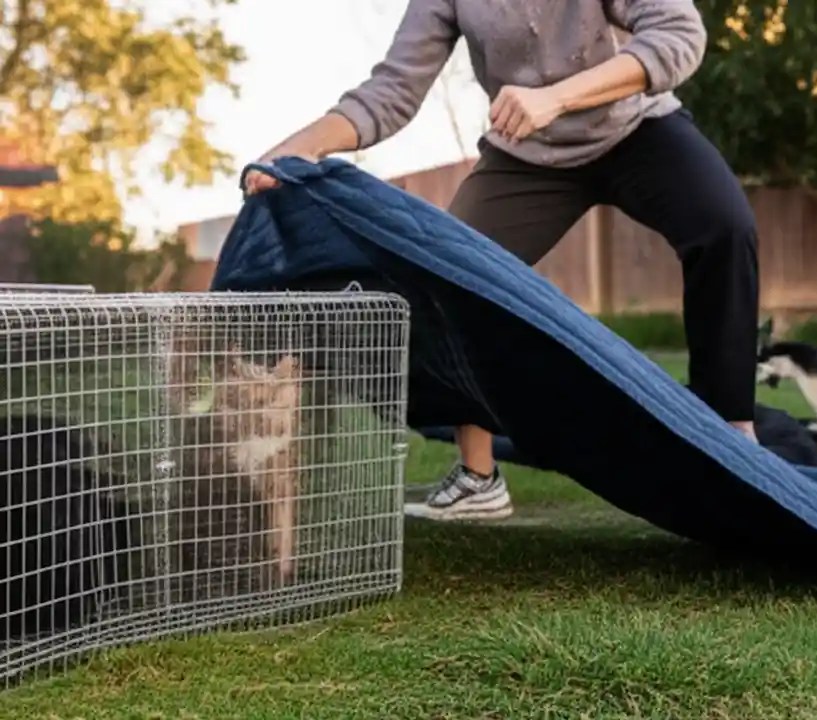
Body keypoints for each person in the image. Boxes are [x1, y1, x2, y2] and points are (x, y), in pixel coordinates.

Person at [245, 0, 760, 522]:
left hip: (636, 128)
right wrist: (295, 151)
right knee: (450, 278)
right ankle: (478, 477)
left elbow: (678, 32)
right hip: (527, 157)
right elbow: (394, 90)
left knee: (725, 228)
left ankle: (735, 435)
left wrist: (556, 98)